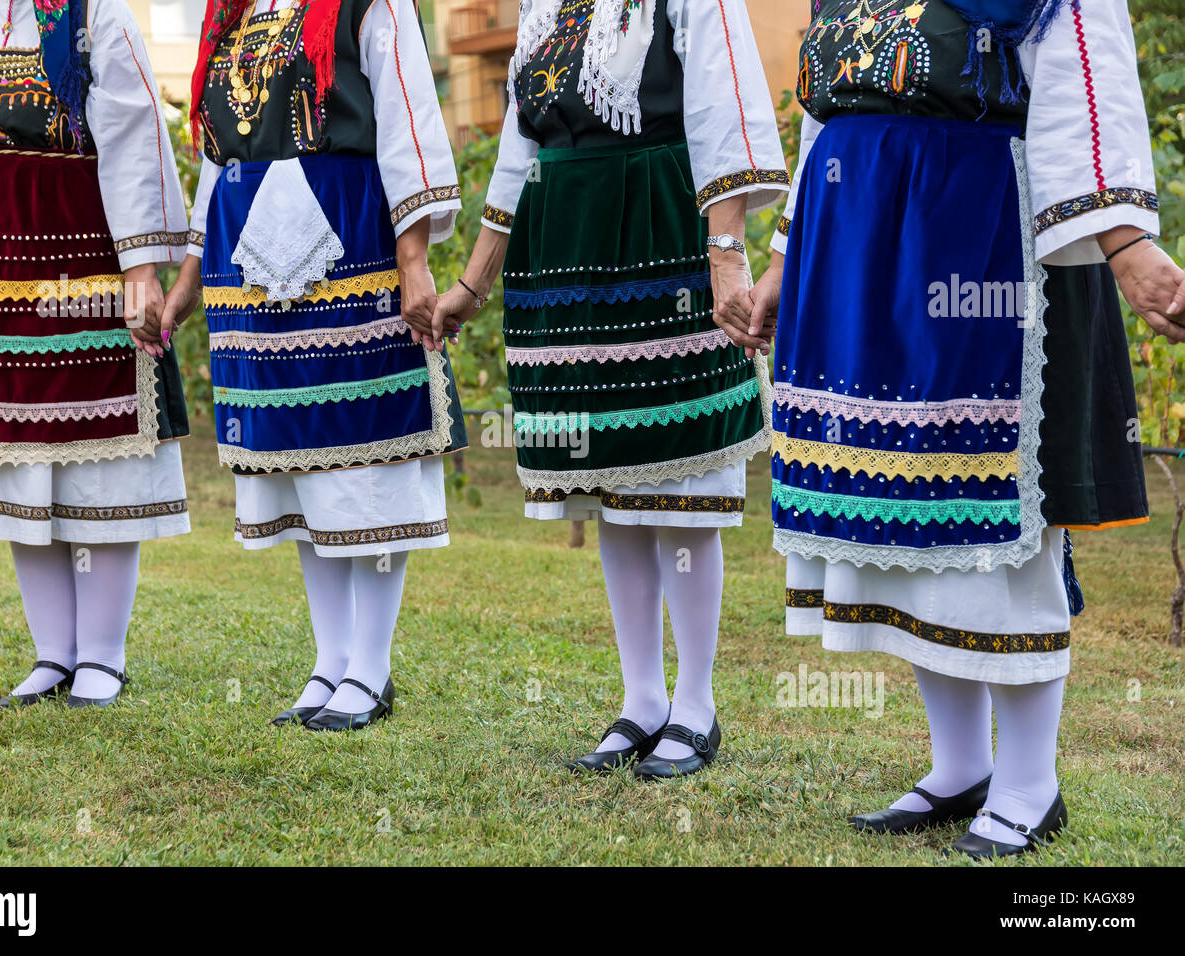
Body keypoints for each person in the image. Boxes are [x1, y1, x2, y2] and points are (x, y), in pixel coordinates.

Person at [756, 0, 1183, 855]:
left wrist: (1129, 242)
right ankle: (958, 769)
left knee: (994, 521)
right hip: (858, 243)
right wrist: (781, 253)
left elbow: (1084, 81)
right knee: (905, 521)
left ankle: (1030, 783)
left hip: (981, 240)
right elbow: (821, 118)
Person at [434, 0, 786, 778]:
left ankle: (696, 703)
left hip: (657, 224)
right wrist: (474, 280)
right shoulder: (543, 7)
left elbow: (722, 108)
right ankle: (642, 701)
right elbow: (517, 149)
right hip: (561, 243)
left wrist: (725, 253)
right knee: (611, 487)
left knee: (680, 472)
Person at [160, 0, 467, 731]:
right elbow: (215, 158)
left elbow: (407, 118)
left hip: (348, 235)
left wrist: (415, 257)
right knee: (298, 462)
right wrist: (188, 280)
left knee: (364, 455)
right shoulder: (230, 13)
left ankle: (372, 668)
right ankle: (330, 661)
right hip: (249, 256)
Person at [0, 0, 192, 708]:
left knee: (99, 456)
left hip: (76, 268)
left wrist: (142, 270)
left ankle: (104, 657)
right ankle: (54, 654)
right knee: (17, 462)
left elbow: (132, 134)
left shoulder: (93, 15)